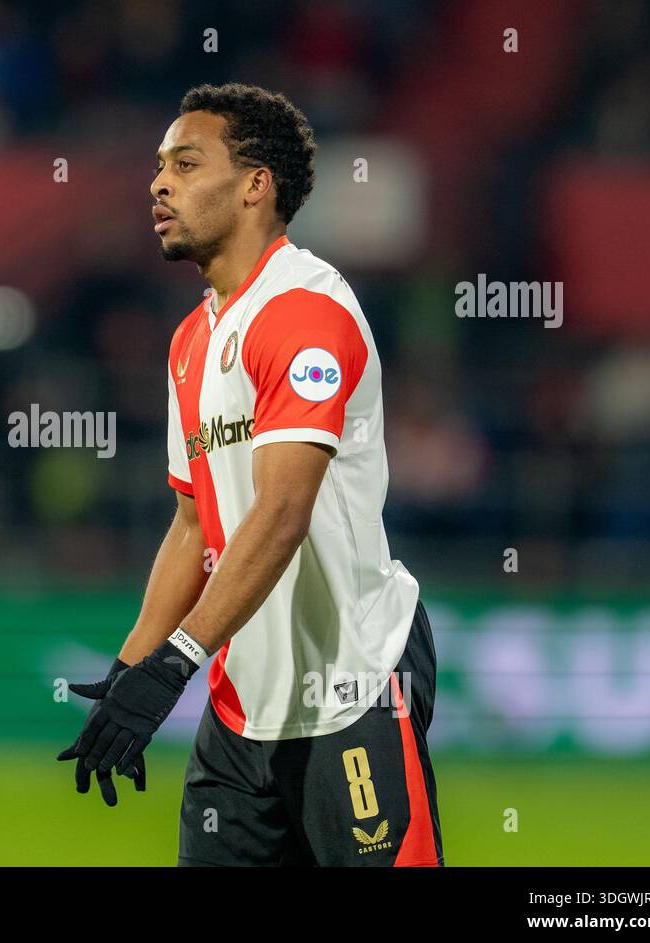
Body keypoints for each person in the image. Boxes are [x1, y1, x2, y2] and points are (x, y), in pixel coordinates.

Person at [58, 83, 442, 866]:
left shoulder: (307, 312)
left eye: (186, 163)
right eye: (159, 166)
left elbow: (282, 511)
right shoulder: (190, 343)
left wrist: (176, 663)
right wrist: (133, 664)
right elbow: (193, 524)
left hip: (352, 685)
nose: (158, 184)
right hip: (242, 711)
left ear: (255, 185)